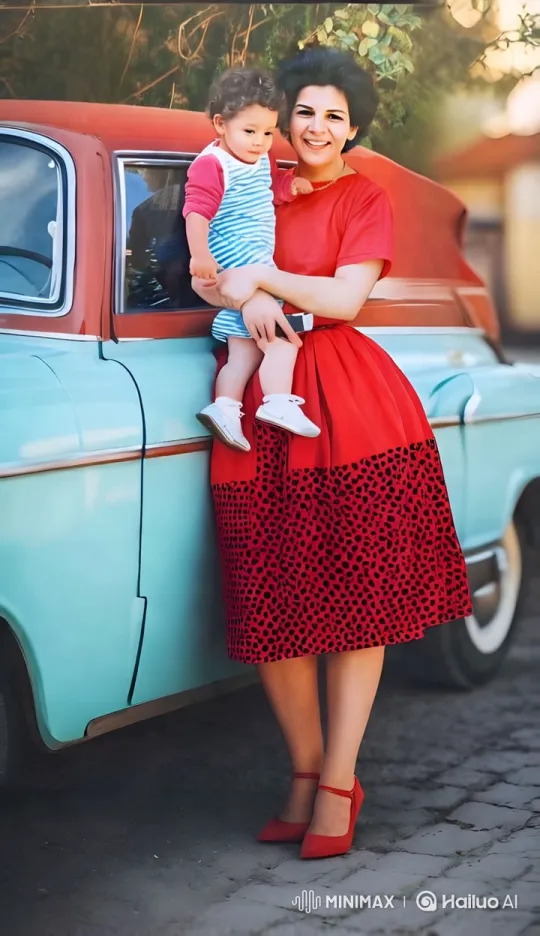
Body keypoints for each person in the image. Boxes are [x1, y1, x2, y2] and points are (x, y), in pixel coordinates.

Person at [192, 46, 472, 860]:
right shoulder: (253, 176)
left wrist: (265, 279)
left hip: (345, 402)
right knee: (271, 597)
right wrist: (234, 288)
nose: (316, 128)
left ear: (354, 129)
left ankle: (342, 778)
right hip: (257, 397)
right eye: (305, 112)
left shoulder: (366, 199)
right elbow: (211, 277)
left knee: (356, 598)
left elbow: (346, 299)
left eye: (333, 116)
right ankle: (305, 772)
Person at [183, 68, 318, 453]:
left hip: (252, 263)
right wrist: (201, 255)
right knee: (283, 341)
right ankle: (277, 402)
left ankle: (225, 407)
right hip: (236, 260)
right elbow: (197, 213)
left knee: (243, 350)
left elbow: (265, 184)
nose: (260, 142)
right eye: (250, 131)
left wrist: (287, 185)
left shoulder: (257, 157)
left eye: (268, 132)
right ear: (221, 124)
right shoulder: (212, 165)